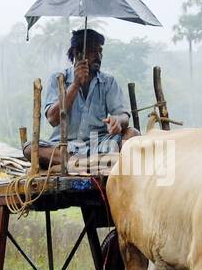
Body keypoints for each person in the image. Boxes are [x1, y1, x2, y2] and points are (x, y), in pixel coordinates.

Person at [28, 28, 138, 169]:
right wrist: (75, 85)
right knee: (30, 148)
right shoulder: (58, 79)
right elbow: (52, 119)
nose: (98, 56)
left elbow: (123, 115)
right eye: (93, 51)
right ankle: (93, 163)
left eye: (100, 51)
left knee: (132, 134)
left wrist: (118, 121)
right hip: (64, 147)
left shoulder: (108, 82)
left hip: (100, 145)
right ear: (77, 53)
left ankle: (83, 163)